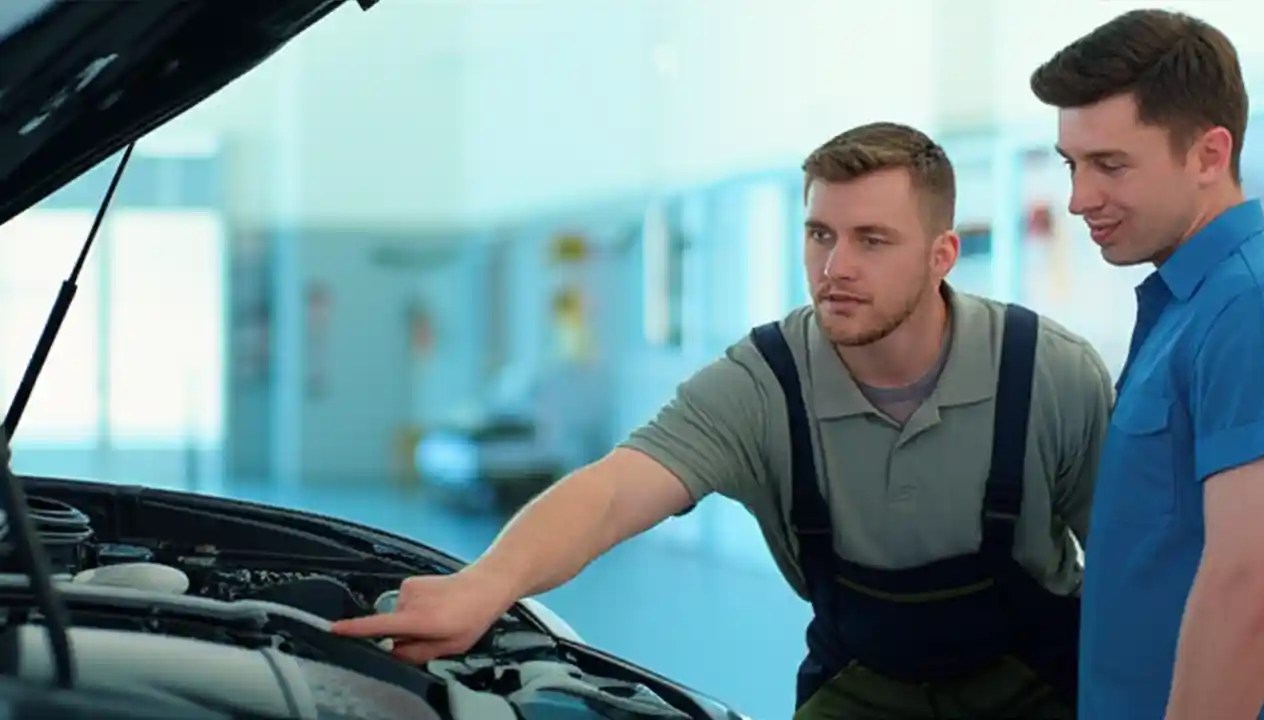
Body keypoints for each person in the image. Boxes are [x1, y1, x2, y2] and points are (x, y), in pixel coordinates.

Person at [331, 122, 1114, 719]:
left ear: (943, 254)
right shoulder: (764, 382)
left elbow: (1133, 565)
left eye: (872, 241)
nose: (835, 266)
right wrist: (486, 585)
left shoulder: (1046, 371)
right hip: (866, 686)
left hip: (1038, 685)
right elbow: (613, 491)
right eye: (820, 234)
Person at [1030, 9, 1264, 720]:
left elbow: (1255, 584)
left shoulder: (1250, 307)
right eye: (1072, 165)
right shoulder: (1186, 306)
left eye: (1110, 165)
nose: (1080, 199)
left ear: (1207, 154)